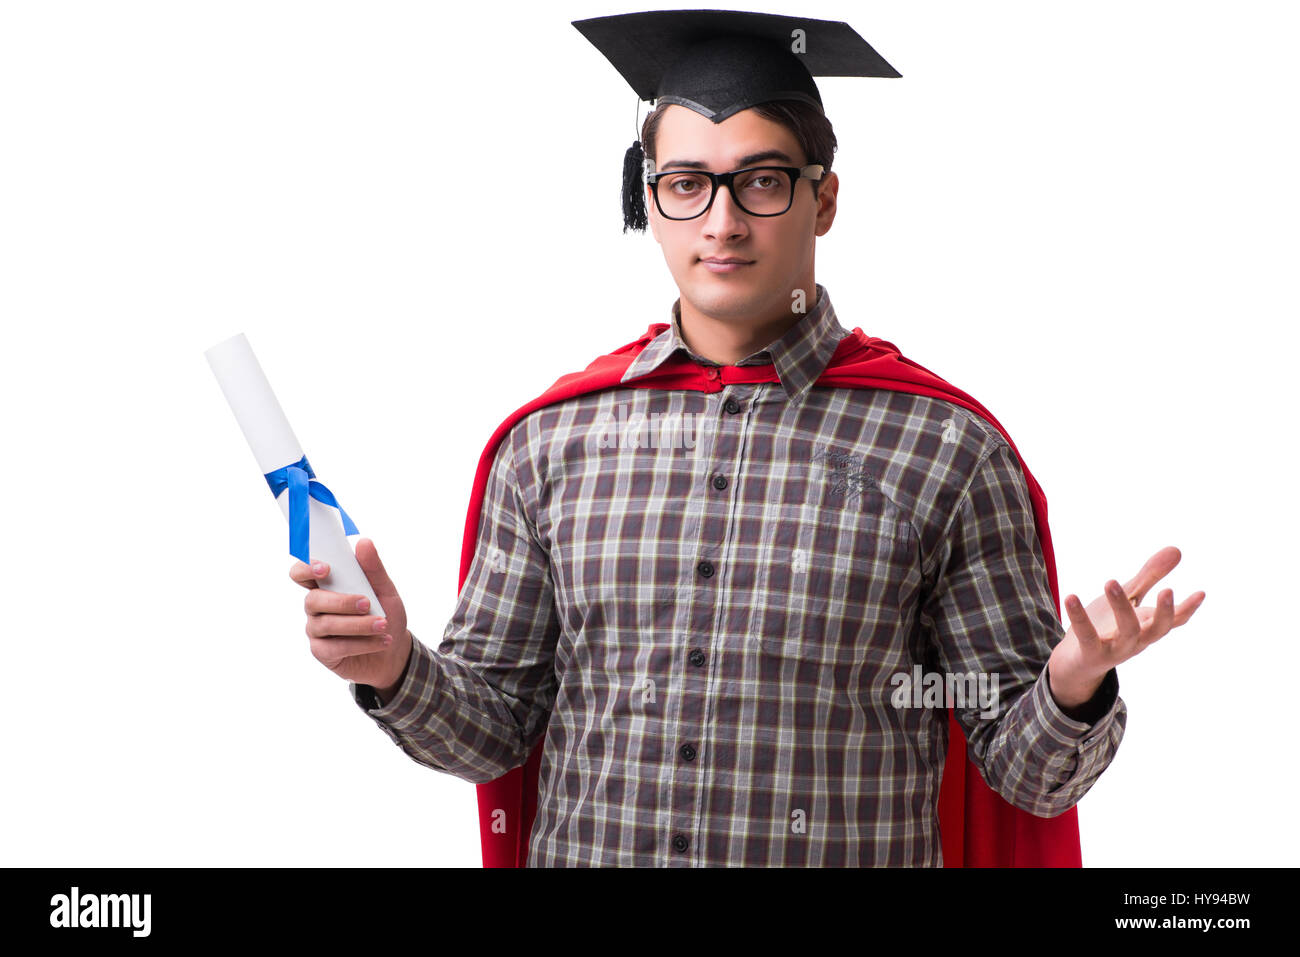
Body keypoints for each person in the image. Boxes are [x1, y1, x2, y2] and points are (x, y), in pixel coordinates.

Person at [289, 10, 1206, 867]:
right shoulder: (548, 446)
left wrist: (1075, 685)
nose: (721, 222)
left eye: (761, 181)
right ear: (648, 202)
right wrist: (396, 668)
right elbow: (495, 730)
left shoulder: (947, 453)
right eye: (687, 184)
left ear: (825, 199)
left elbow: (1023, 773)